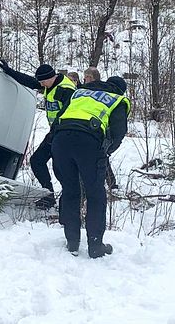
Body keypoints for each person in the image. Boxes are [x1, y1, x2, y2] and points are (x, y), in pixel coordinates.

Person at [51, 75, 130, 258]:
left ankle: (72, 242)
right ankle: (95, 246)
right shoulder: (117, 99)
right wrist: (105, 151)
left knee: (70, 190)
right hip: (88, 141)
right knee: (95, 194)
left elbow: (59, 118)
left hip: (60, 139)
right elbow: (118, 133)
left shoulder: (79, 93)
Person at [0, 60, 76, 209]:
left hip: (65, 134)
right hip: (55, 133)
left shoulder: (65, 90)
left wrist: (56, 132)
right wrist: (8, 71)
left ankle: (72, 200)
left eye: (42, 82)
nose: (40, 85)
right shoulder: (50, 83)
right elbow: (30, 81)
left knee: (61, 169)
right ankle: (48, 195)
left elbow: (69, 113)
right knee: (37, 161)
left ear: (49, 78)